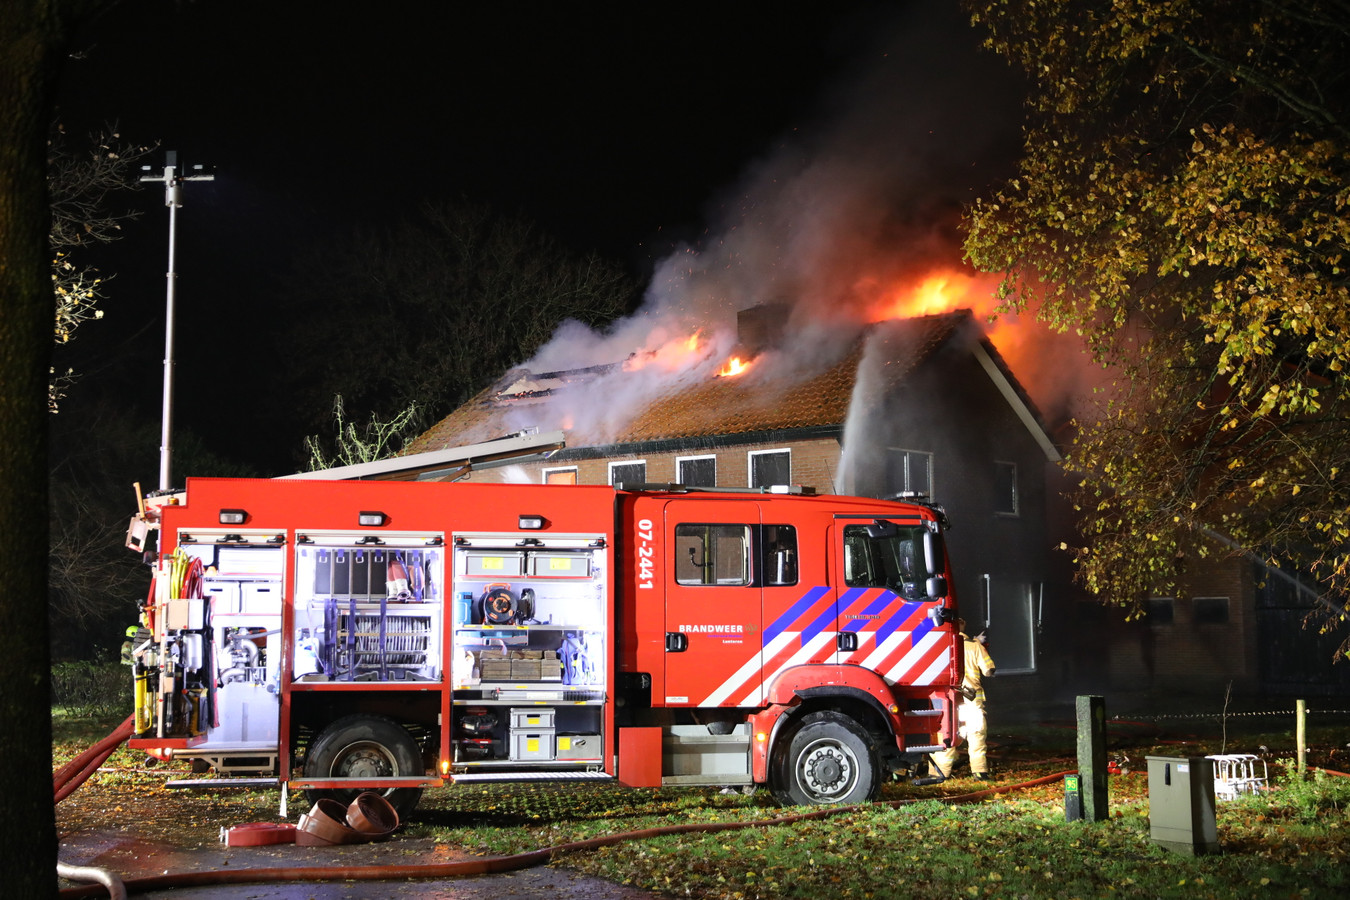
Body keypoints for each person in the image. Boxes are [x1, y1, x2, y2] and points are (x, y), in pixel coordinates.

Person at [932, 618, 996, 780]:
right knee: (976, 735)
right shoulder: (974, 646)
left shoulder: (938, 646)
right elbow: (989, 671)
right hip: (971, 700)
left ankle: (939, 773)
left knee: (945, 735)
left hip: (946, 701)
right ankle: (980, 772)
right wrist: (980, 645)